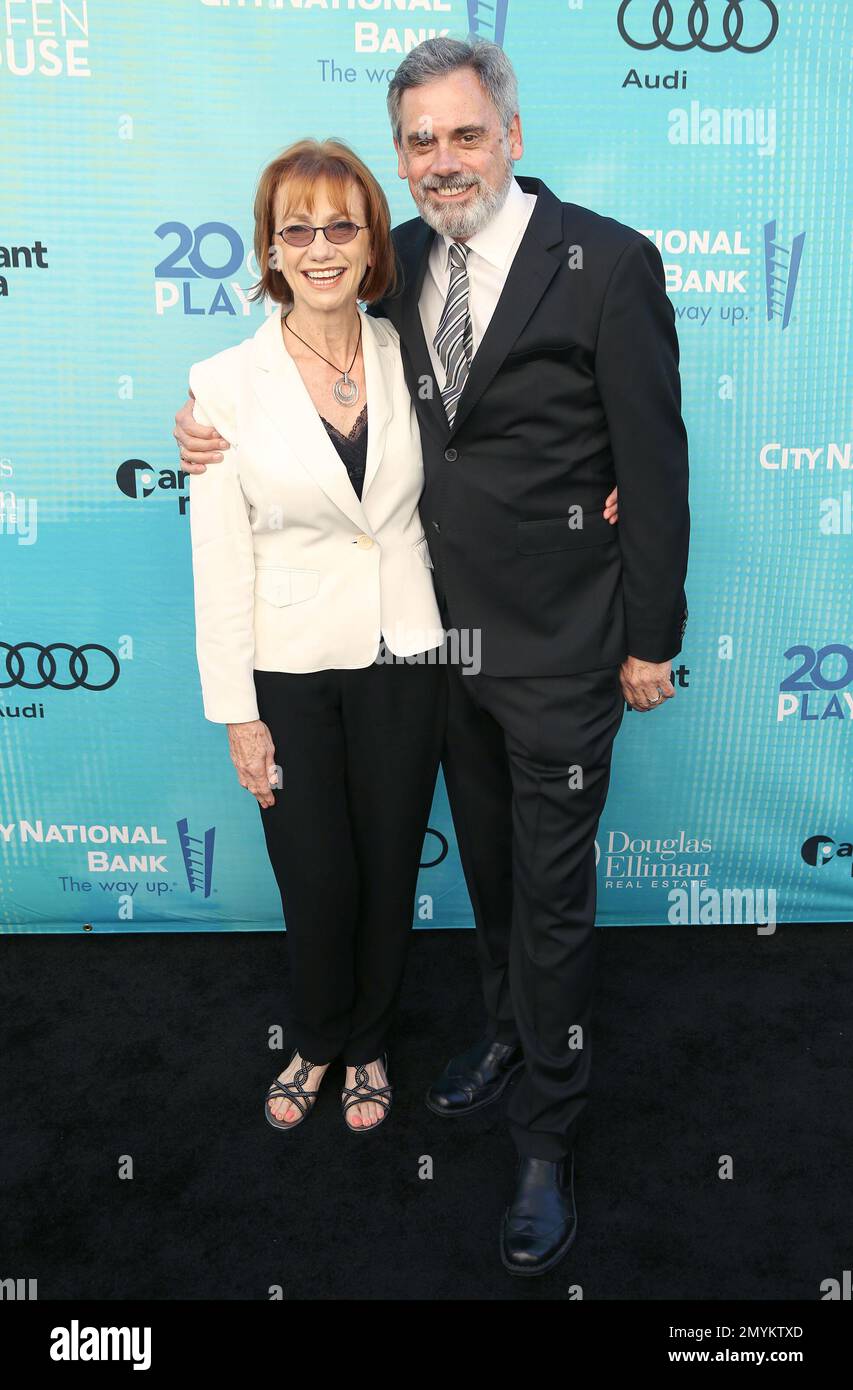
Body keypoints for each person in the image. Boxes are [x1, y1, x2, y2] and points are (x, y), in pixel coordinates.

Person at [176, 35, 679, 1279]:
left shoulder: (608, 263)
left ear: (511, 134)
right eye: (419, 142)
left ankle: (547, 1143)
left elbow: (654, 467)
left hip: (565, 650)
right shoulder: (392, 275)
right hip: (438, 647)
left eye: (464, 135)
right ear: (398, 156)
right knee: (496, 881)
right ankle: (505, 1037)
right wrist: (200, 428)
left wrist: (649, 637)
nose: (441, 162)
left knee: (553, 907)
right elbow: (303, 383)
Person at [186, 138, 447, 1133]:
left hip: (406, 654)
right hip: (286, 669)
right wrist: (236, 715)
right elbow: (217, 556)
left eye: (342, 224)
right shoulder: (221, 383)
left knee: (387, 864)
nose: (321, 246)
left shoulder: (411, 348)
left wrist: (600, 483)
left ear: (372, 239)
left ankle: (370, 1041)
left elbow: (507, 438)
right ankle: (316, 1035)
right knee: (315, 872)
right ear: (270, 247)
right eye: (297, 228)